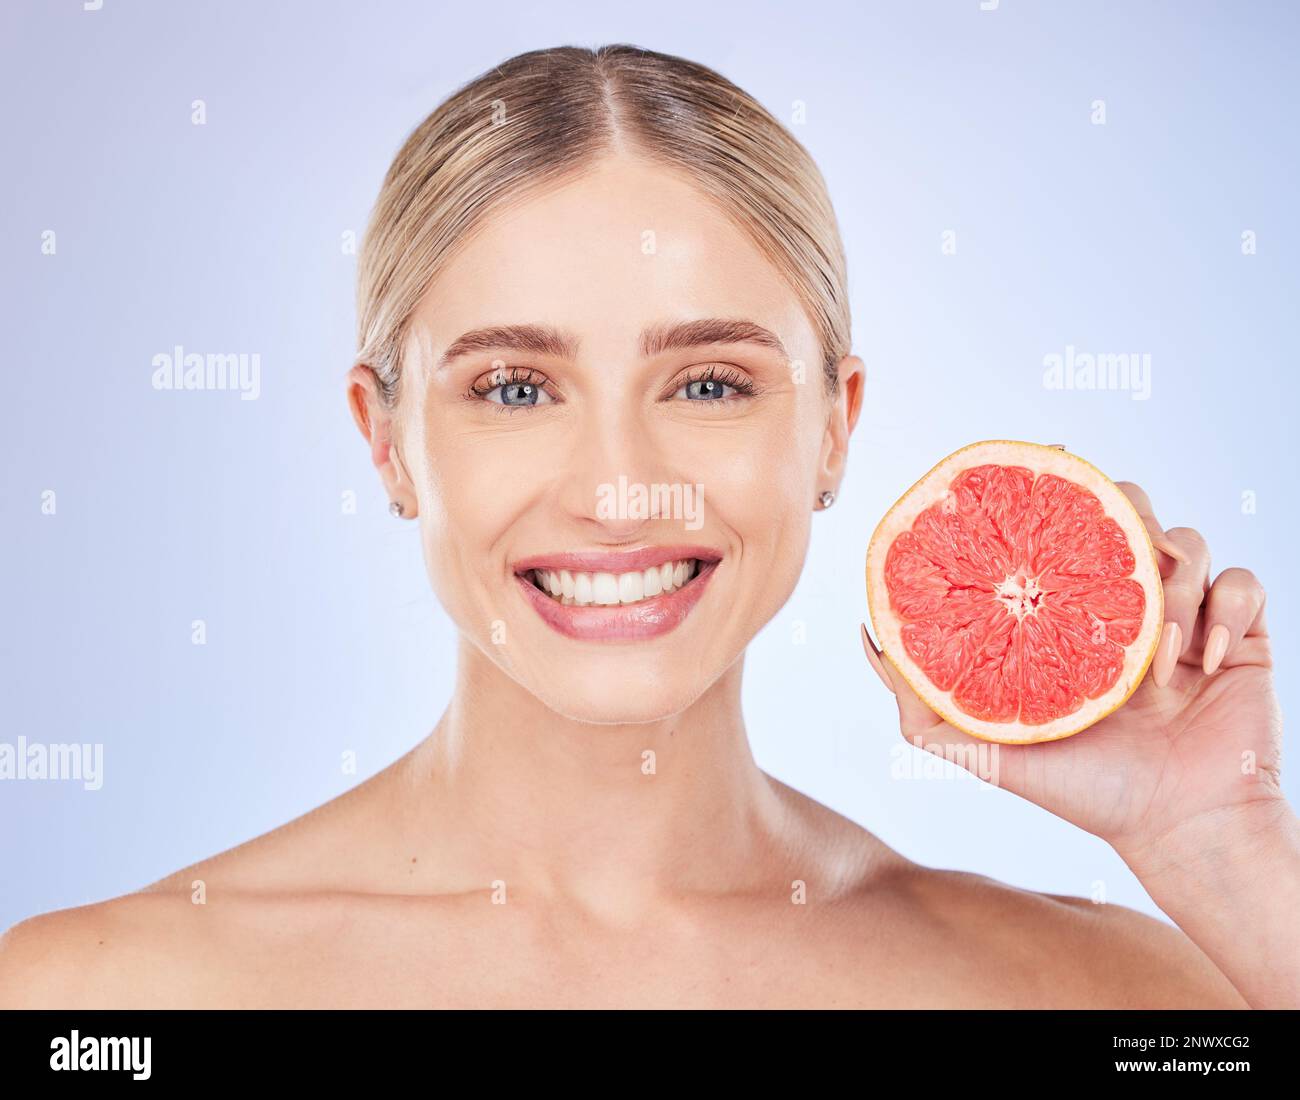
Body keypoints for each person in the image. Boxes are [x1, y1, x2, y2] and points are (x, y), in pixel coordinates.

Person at [2, 44, 1295, 1009]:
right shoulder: (107, 998)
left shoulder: (1111, 996)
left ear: (836, 426)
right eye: (514, 387)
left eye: (710, 382)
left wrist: (1221, 844)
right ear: (385, 437)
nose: (618, 486)